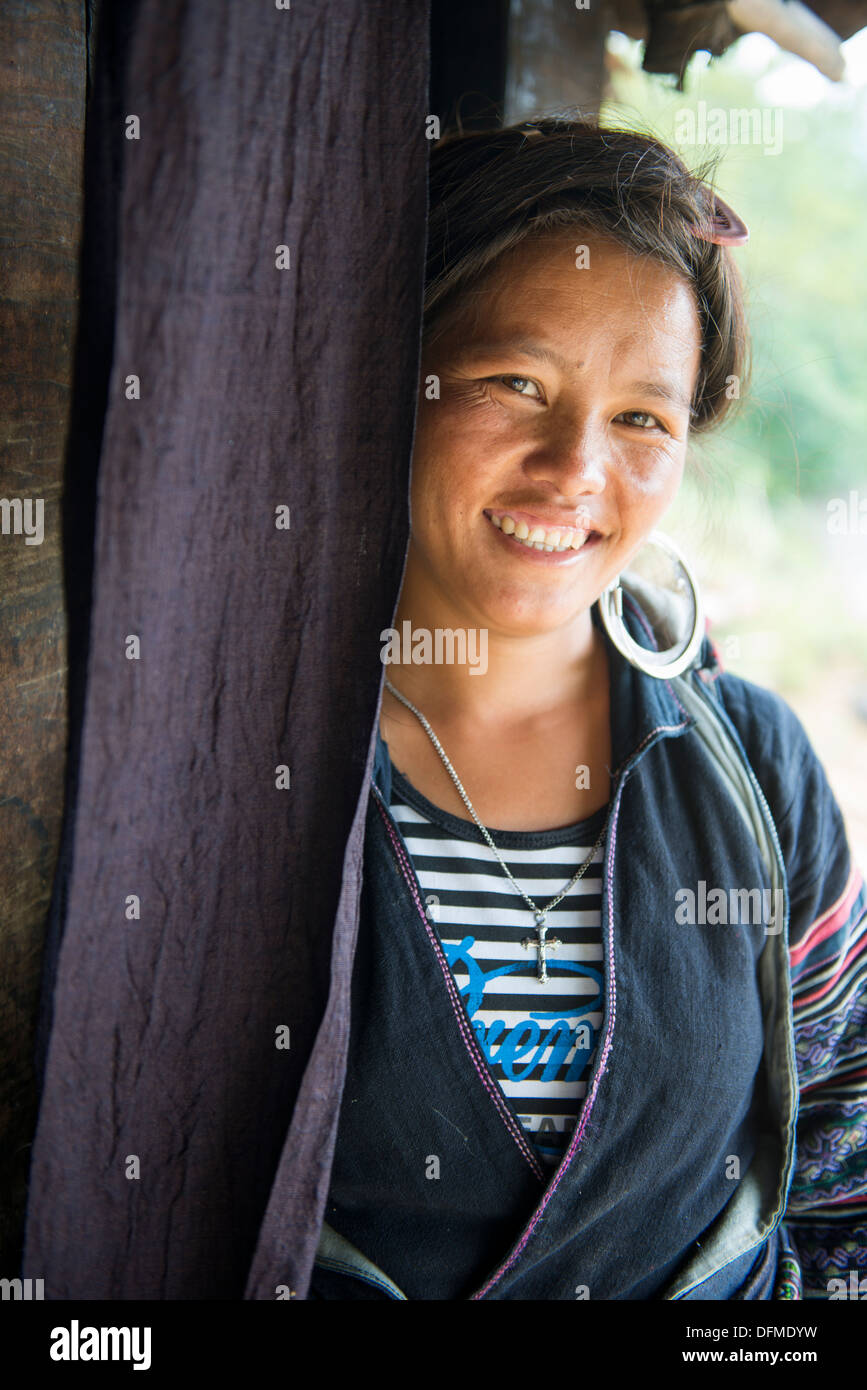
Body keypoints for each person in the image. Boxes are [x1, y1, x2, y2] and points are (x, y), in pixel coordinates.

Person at [309, 117, 867, 1300]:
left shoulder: (753, 770)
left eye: (641, 419)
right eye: (517, 381)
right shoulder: (259, 773)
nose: (575, 468)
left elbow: (844, 1140)